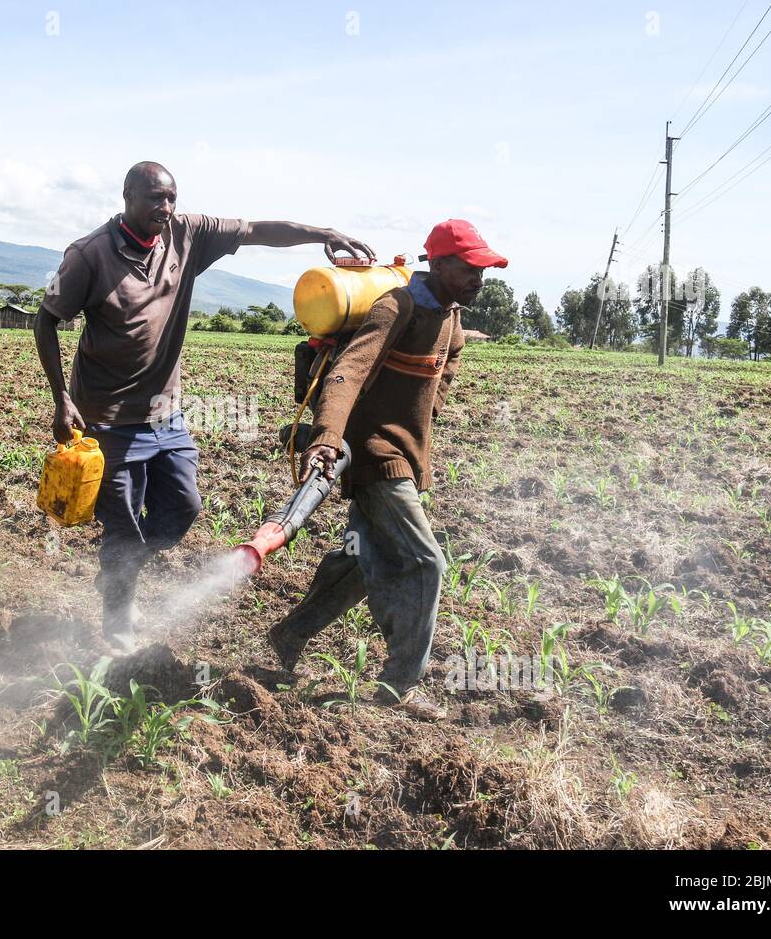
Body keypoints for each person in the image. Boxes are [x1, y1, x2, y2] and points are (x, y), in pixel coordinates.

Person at [35, 160, 375, 654]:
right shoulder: (89, 255)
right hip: (106, 420)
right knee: (125, 526)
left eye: (171, 198)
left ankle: (120, 569)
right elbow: (46, 323)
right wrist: (61, 397)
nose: (165, 208)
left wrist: (323, 232)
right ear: (127, 196)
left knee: (182, 508)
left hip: (165, 414)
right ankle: (118, 611)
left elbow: (257, 230)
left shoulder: (186, 233)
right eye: (154, 198)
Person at [266, 219, 508, 719]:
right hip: (374, 455)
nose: (478, 279)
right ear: (438, 263)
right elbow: (347, 371)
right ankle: (401, 684)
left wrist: (427, 418)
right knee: (425, 563)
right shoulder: (397, 306)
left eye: (483, 270)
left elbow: (442, 379)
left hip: (403, 454)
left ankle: (288, 635)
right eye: (469, 269)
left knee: (359, 560)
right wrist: (328, 437)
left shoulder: (452, 319)